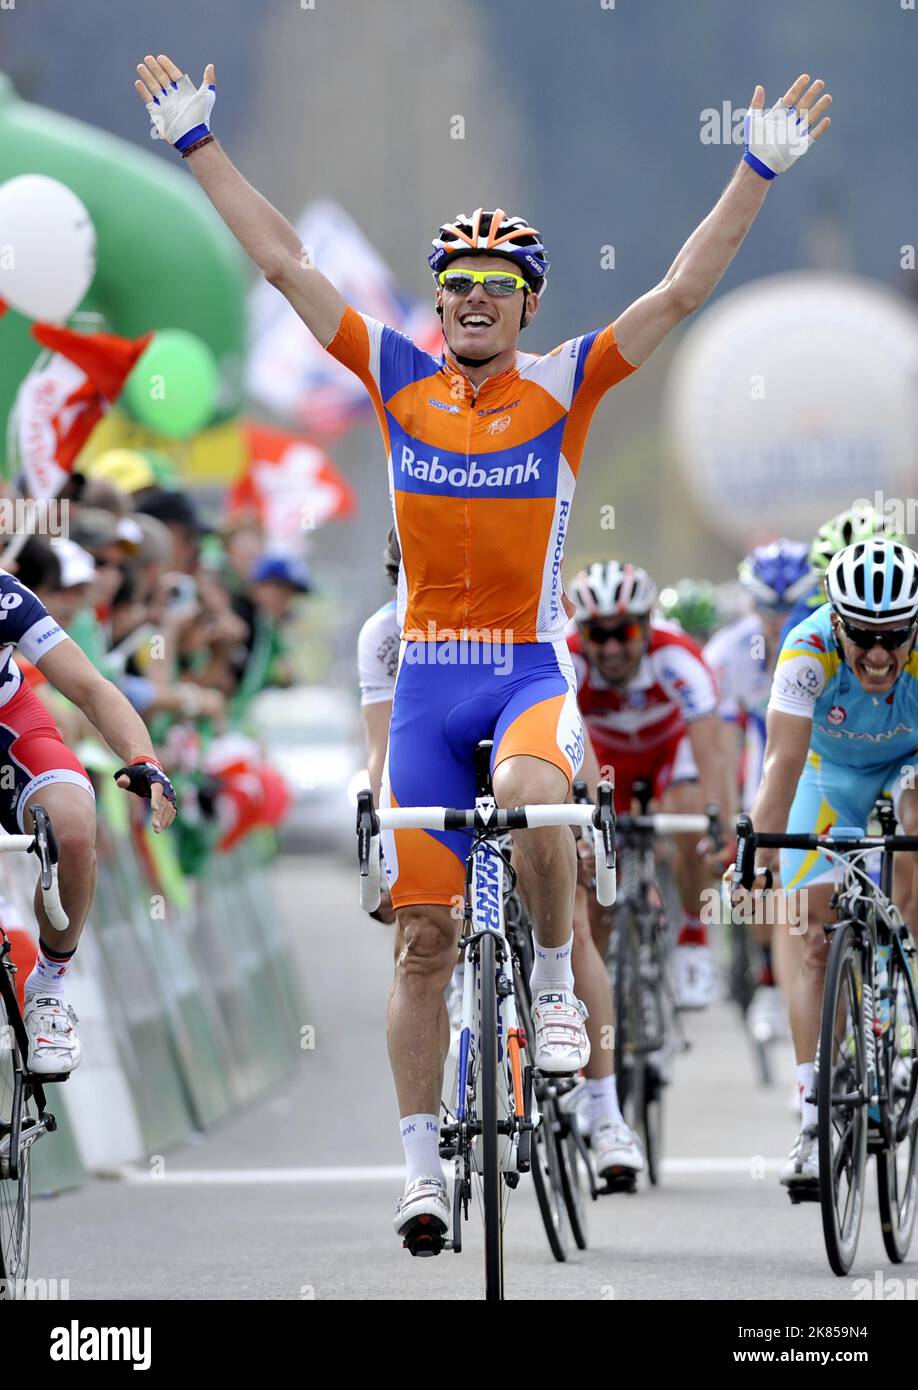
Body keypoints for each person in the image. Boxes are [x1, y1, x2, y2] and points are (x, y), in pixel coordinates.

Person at [133, 51, 832, 1242]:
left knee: (536, 793)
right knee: (422, 939)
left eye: (495, 282)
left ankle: (558, 994)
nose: (471, 295)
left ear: (527, 304)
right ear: (437, 295)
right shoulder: (394, 370)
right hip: (425, 681)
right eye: (455, 278)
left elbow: (674, 294)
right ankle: (419, 1169)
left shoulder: (565, 386)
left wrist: (757, 169)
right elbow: (285, 264)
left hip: (519, 666)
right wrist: (200, 145)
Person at [744, 539, 918, 1190]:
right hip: (829, 773)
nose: (879, 654)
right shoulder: (806, 647)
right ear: (836, 622)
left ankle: (902, 1023)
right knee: (815, 935)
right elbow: (781, 764)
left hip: (911, 765)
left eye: (895, 636)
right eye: (865, 636)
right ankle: (815, 1115)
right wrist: (758, 853)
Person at [0, 564, 176, 1074]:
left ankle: (49, 989)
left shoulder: (9, 597)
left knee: (74, 832)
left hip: (9, 729)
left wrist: (144, 759)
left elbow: (91, 689)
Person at [568, 562, 728, 1008]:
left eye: (626, 633)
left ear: (646, 626)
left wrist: (720, 827)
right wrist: (585, 831)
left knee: (691, 816)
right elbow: (565, 750)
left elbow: (711, 753)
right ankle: (592, 1004)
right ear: (582, 633)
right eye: (599, 635)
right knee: (596, 882)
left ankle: (693, 938)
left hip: (666, 753)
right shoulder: (568, 660)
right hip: (602, 765)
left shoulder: (677, 656)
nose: (614, 647)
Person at [704, 540, 811, 1039]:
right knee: (760, 859)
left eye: (790, 607)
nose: (779, 619)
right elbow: (722, 746)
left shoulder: (818, 641)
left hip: (815, 758)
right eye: (769, 607)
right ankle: (768, 977)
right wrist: (728, 814)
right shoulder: (730, 652)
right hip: (757, 761)